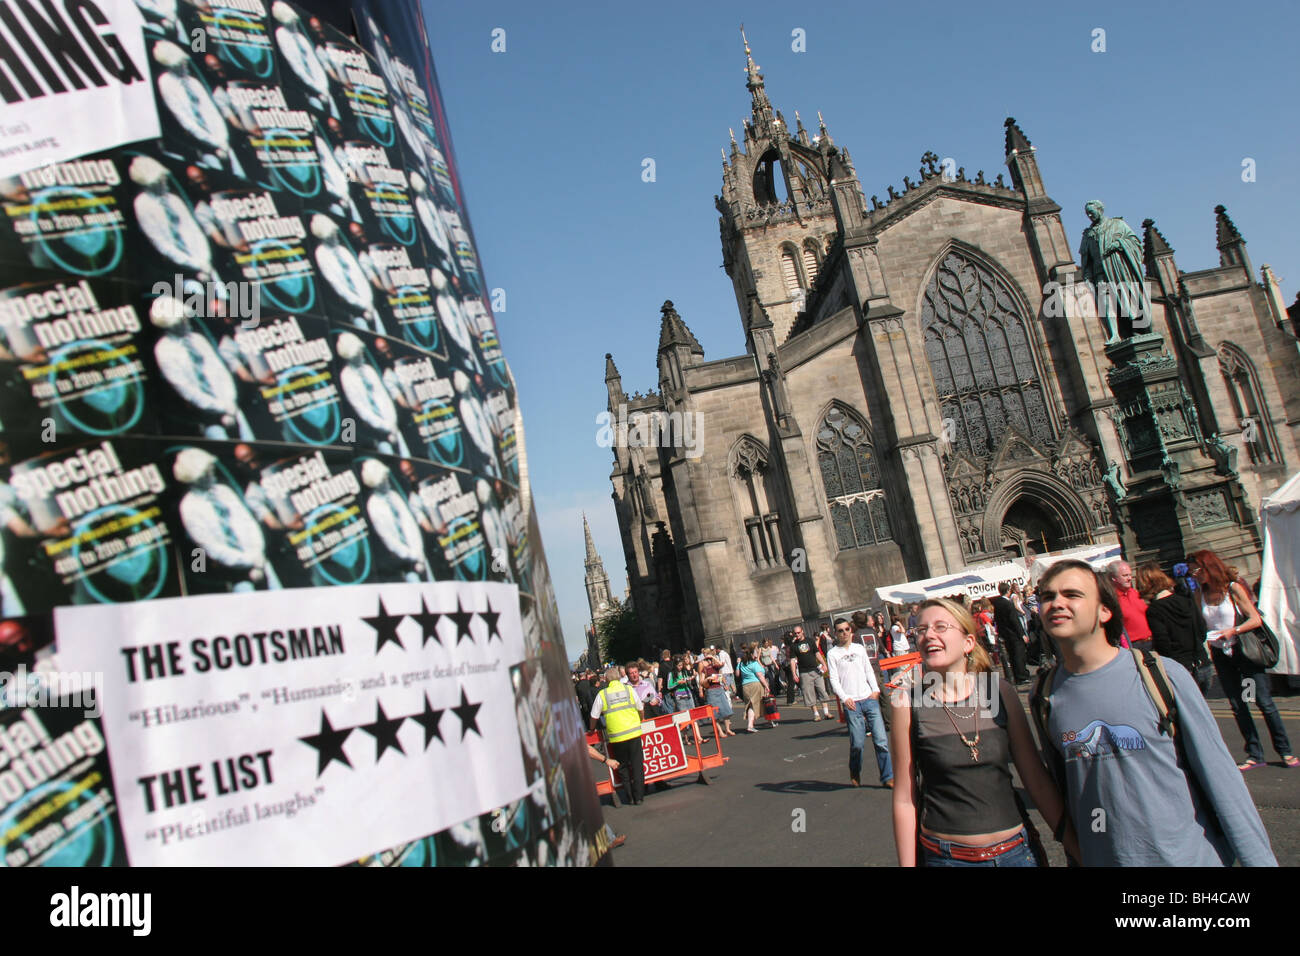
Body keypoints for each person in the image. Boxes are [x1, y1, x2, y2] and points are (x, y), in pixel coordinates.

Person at [1033, 559, 1277, 865]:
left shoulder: (1162, 675)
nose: (1057, 603)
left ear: (1104, 611)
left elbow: (1223, 781)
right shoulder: (1044, 693)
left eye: (1072, 594)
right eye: (1047, 596)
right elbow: (1066, 792)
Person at [890, 598, 1071, 867]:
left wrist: (1073, 843)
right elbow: (905, 798)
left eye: (941, 626)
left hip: (1017, 855)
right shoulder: (907, 704)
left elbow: (1035, 777)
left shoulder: (999, 693)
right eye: (921, 629)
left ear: (968, 643)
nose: (929, 635)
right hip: (947, 858)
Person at [1189, 549, 1298, 770]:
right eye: (1192, 572)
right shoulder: (1199, 593)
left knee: (1262, 701)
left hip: (1243, 653)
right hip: (1222, 655)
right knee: (1238, 705)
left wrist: (1234, 630)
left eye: (1197, 570)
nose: (1194, 575)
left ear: (1209, 567)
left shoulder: (1232, 589)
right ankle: (1255, 754)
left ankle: (1285, 751)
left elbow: (1255, 619)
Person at [827, 618, 892, 788]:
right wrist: (844, 697)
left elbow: (868, 670)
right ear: (836, 633)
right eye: (840, 630)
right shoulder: (833, 653)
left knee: (881, 741)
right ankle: (854, 770)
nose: (844, 633)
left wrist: (875, 690)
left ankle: (887, 776)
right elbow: (834, 679)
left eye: (847, 629)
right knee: (857, 743)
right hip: (852, 702)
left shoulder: (859, 649)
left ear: (851, 630)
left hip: (868, 698)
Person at [1138, 562, 1211, 695]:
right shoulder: (1186, 600)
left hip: (1181, 668)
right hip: (1202, 662)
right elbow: (1202, 630)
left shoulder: (1154, 610)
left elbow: (1163, 642)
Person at [589, 666, 646, 805]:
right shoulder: (629, 689)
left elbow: (593, 716)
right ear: (619, 678)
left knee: (622, 766)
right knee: (637, 764)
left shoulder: (602, 694)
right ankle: (639, 796)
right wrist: (641, 720)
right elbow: (640, 707)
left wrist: (591, 729)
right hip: (633, 732)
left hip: (617, 736)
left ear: (606, 680)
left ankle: (630, 796)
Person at [788, 625, 833, 721]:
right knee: (809, 693)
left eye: (799, 632)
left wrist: (824, 664)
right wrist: (794, 674)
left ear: (802, 631)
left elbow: (817, 653)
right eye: (795, 633)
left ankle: (826, 712)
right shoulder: (794, 645)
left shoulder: (810, 641)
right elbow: (792, 660)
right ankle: (816, 714)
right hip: (804, 672)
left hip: (815, 669)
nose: (797, 635)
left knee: (822, 690)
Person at [991, 582, 1031, 684]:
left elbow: (996, 619)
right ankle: (1022, 675)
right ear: (1008, 591)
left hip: (1005, 633)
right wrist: (1022, 634)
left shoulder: (997, 603)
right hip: (1014, 634)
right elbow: (1014, 620)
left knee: (1012, 655)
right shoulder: (1008, 604)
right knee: (1019, 654)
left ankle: (1016, 675)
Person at [1108, 560, 1151, 650]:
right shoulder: (1112, 600)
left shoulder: (1135, 593)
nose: (1129, 578)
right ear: (1113, 578)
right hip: (1133, 646)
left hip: (1152, 640)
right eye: (1125, 575)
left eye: (1130, 575)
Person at [698, 647, 735, 737]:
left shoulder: (716, 666)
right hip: (711, 691)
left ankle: (727, 729)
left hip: (719, 688)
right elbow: (701, 681)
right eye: (707, 658)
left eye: (710, 658)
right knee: (715, 714)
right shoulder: (704, 668)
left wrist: (725, 684)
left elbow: (721, 667)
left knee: (726, 710)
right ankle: (720, 732)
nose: (709, 660)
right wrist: (707, 679)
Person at [736, 645, 772, 732]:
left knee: (750, 704)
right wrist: (766, 686)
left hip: (745, 686)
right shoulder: (754, 663)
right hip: (756, 684)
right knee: (764, 702)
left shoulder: (741, 664)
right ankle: (769, 720)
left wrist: (738, 663)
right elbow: (760, 676)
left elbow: (737, 674)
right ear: (751, 654)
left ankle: (751, 725)